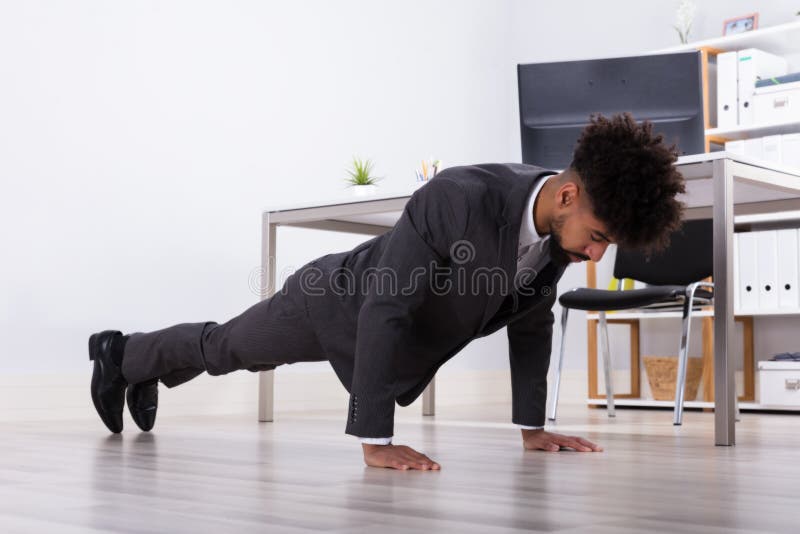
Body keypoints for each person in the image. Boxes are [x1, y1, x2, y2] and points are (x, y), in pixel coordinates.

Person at [89, 113, 686, 471]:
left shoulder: (557, 237)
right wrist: (375, 440)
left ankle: (136, 364)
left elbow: (531, 320)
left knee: (233, 352)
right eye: (598, 238)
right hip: (336, 300)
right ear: (567, 197)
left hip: (384, 328)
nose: (596, 256)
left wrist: (533, 428)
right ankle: (121, 354)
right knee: (227, 350)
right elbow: (387, 302)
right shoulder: (458, 197)